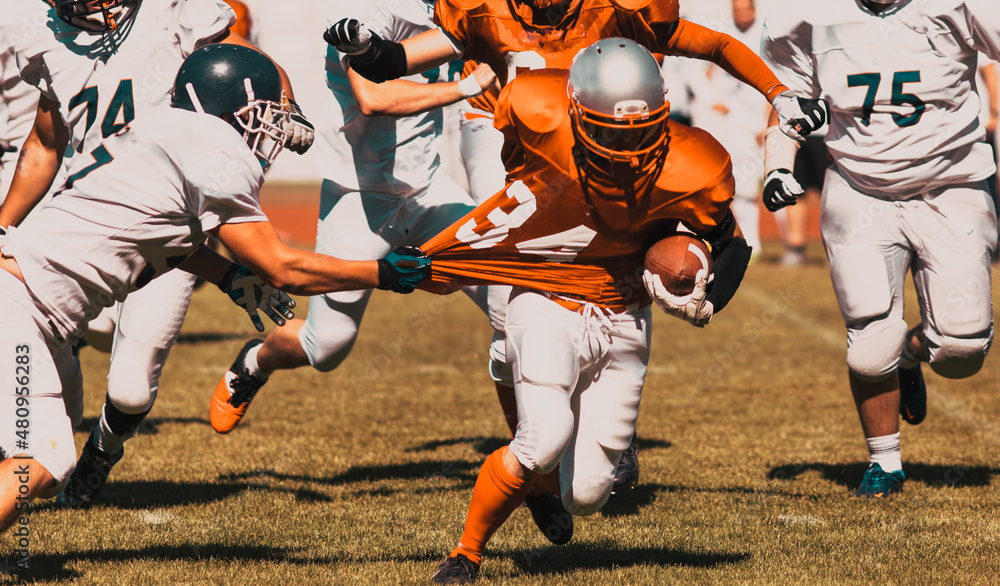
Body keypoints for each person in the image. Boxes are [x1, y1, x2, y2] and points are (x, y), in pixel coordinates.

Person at [323, 0, 827, 501]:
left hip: (611, 154)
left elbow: (712, 44)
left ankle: (604, 420)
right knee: (506, 305)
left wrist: (779, 93)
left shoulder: (618, 11)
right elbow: (394, 63)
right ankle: (538, 453)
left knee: (622, 268)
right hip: (524, 151)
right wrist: (367, 50)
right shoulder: (485, 13)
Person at [0, 43, 428, 535]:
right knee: (46, 459)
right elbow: (283, 267)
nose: (271, 128)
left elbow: (156, 232)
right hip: (22, 308)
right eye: (266, 114)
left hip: (35, 310)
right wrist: (383, 273)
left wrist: (226, 276)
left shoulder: (163, 129)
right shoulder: (215, 147)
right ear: (235, 107)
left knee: (44, 454)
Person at [416, 38, 753, 584]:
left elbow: (733, 244)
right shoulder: (533, 113)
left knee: (589, 496)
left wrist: (705, 300)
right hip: (548, 293)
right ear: (573, 113)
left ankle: (550, 460)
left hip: (623, 315)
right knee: (543, 436)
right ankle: (466, 554)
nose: (626, 151)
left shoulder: (695, 162)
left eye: (641, 133)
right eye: (610, 133)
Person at [0, 0, 315, 508]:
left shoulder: (171, 10)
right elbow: (44, 141)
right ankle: (38, 453)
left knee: (129, 391)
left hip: (170, 226)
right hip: (89, 224)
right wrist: (2, 225)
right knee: (45, 379)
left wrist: (289, 105)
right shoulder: (46, 37)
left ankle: (100, 453)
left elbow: (247, 60)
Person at [761, 0, 1000, 498]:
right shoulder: (805, 13)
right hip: (858, 186)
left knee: (963, 348)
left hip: (951, 184)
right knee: (870, 342)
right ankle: (884, 462)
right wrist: (778, 165)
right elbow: (787, 99)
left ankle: (912, 357)